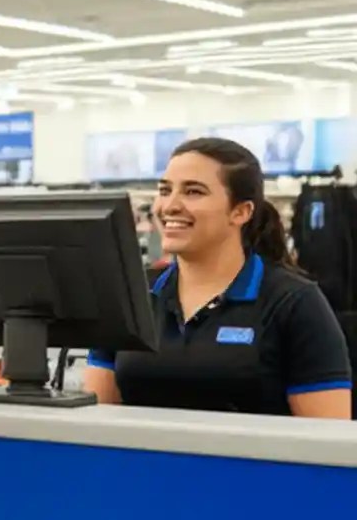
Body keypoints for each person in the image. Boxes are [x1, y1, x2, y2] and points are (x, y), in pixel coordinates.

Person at [84, 137, 352, 419]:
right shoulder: (131, 294)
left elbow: (327, 439)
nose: (170, 206)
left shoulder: (293, 303)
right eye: (165, 190)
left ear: (240, 212)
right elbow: (97, 418)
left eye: (193, 192)